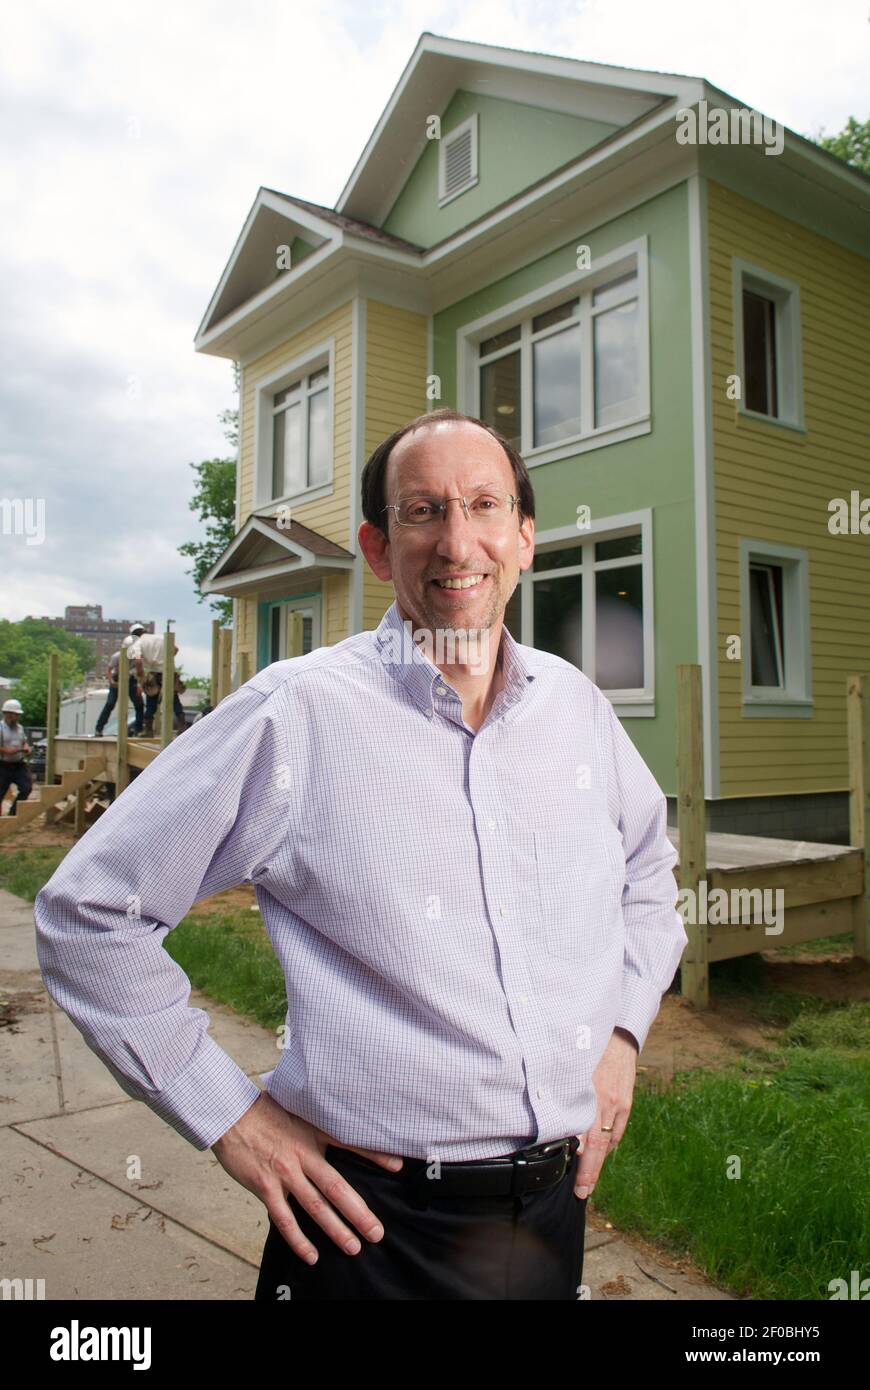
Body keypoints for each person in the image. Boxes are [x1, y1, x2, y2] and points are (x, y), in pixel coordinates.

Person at [33, 408, 687, 1301]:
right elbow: (89, 914)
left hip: (551, 1217)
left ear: (524, 537)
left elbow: (649, 873)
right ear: (379, 550)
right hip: (371, 1233)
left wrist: (621, 1031)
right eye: (424, 512)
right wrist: (231, 1115)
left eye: (484, 505)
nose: (458, 542)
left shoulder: (577, 710)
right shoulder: (294, 715)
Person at [128, 626, 185, 736]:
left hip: (155, 673)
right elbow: (176, 649)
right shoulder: (160, 637)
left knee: (151, 703)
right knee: (174, 700)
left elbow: (138, 662)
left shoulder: (138, 643)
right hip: (169, 672)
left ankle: (148, 731)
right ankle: (182, 727)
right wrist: (165, 658)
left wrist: (141, 678)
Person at [94, 634, 145, 737]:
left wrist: (140, 685)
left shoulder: (137, 657)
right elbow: (109, 670)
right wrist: (112, 681)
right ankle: (99, 728)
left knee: (139, 704)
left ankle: (138, 729)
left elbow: (140, 672)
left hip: (131, 680)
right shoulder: (117, 656)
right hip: (117, 679)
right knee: (110, 703)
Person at [0, 698, 32, 815]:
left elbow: (24, 741)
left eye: (18, 715)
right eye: (14, 714)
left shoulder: (20, 728)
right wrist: (9, 751)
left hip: (18, 764)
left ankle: (12, 814)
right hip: (3, 766)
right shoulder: (0, 728)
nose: (16, 717)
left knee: (26, 788)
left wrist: (26, 747)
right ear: (7, 714)